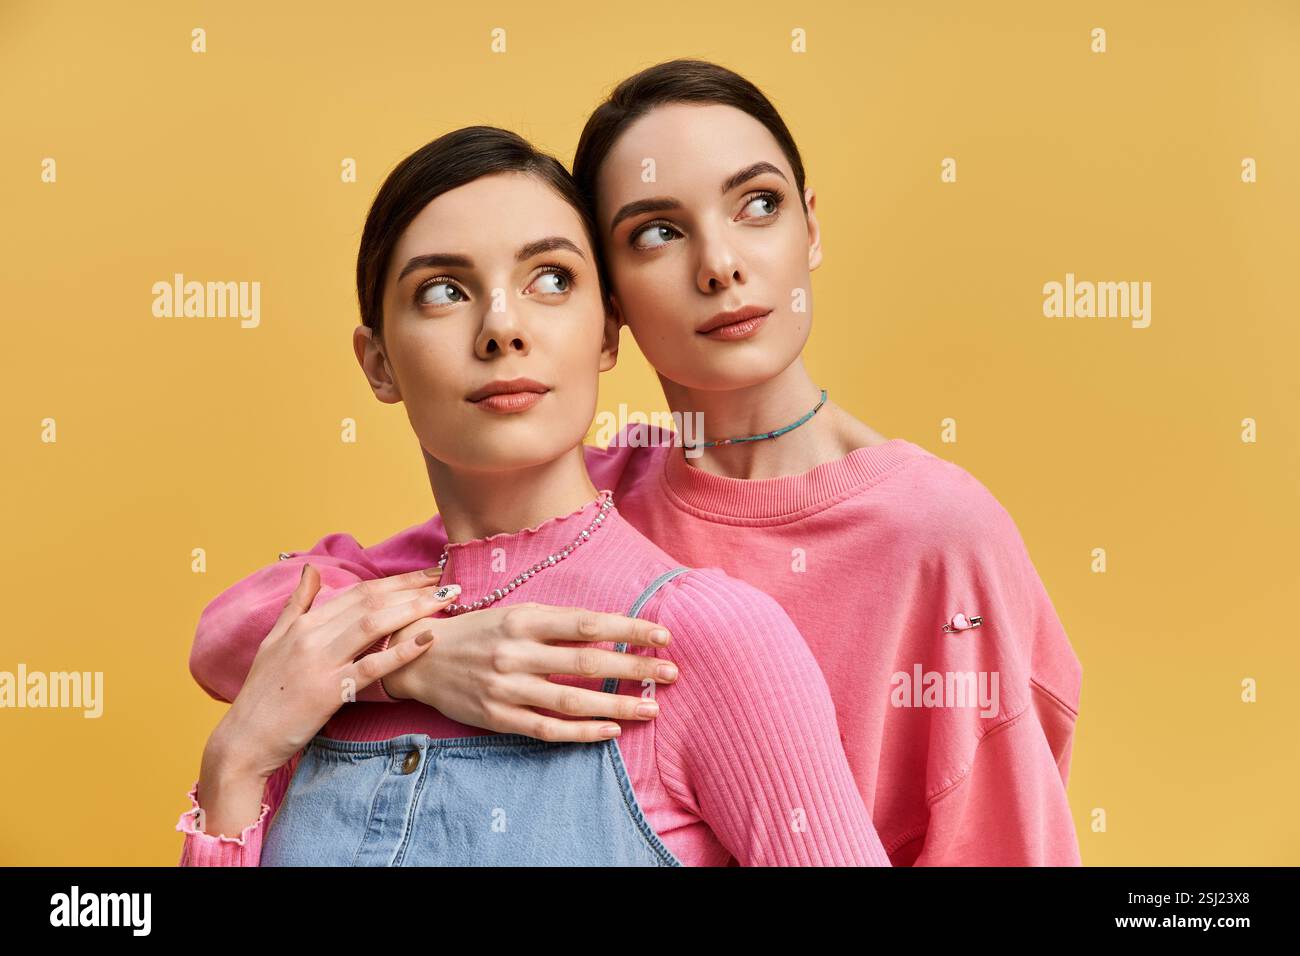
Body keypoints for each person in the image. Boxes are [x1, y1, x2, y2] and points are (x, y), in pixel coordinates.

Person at [188, 60, 1083, 866]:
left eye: (758, 204)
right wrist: (419, 658)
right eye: (658, 231)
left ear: (812, 227)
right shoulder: (603, 484)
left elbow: (1005, 840)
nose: (723, 266)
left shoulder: (938, 534)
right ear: (611, 300)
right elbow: (247, 629)